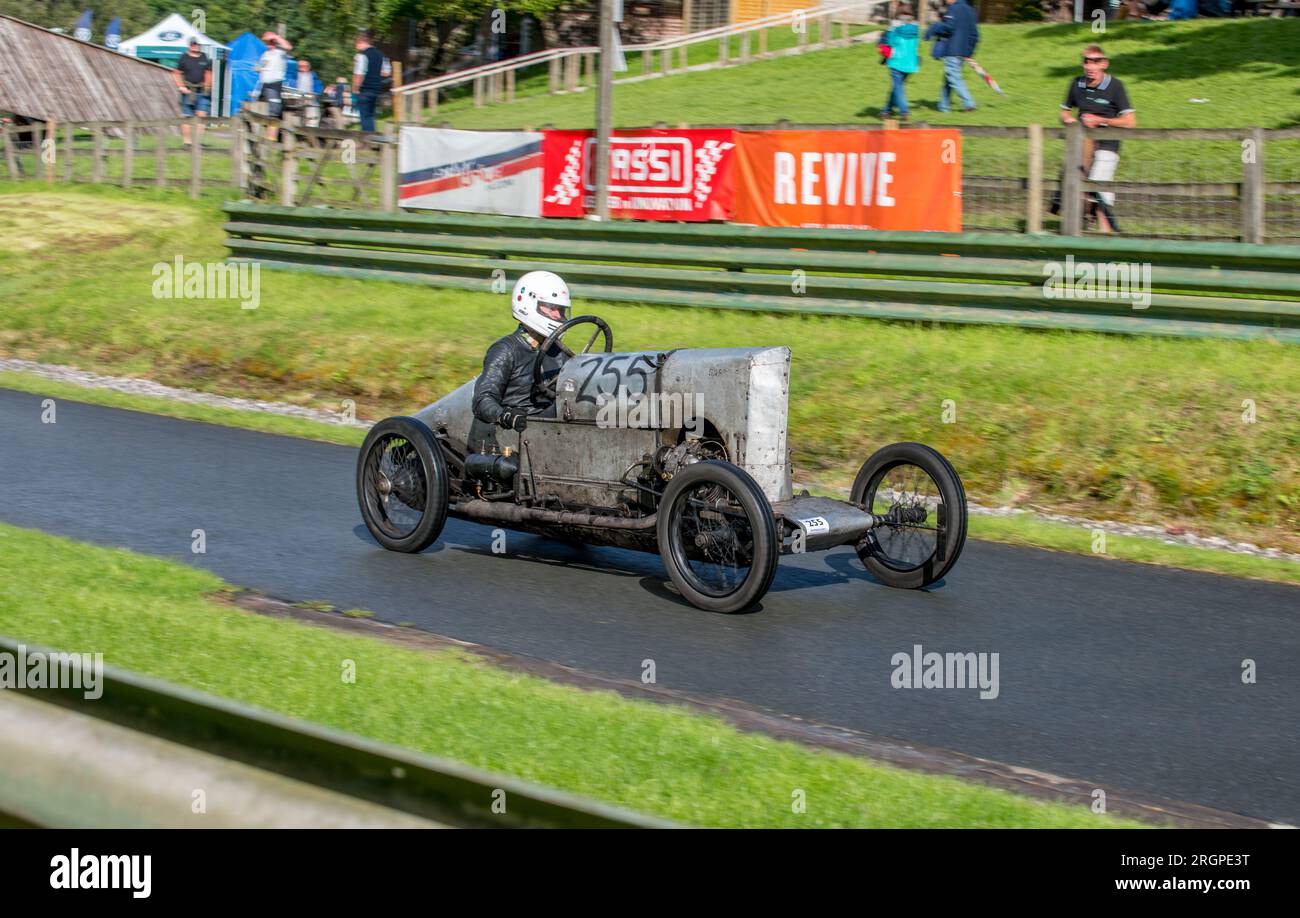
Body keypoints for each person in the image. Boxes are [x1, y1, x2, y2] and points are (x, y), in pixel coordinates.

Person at [469, 271, 571, 453]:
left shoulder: (559, 351)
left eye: (561, 310)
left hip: (550, 430)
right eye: (551, 308)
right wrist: (506, 415)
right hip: (512, 435)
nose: (557, 315)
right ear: (528, 304)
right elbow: (483, 399)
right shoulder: (505, 350)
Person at [1060, 43, 1136, 233]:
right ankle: (1076, 229)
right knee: (1073, 182)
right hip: (1082, 144)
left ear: (1105, 64)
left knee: (1098, 181)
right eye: (1087, 61)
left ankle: (1106, 230)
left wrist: (1101, 120)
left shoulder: (1116, 86)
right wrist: (1069, 120)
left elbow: (1130, 121)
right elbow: (1064, 111)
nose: (1090, 66)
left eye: (1095, 62)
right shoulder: (1076, 84)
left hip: (1107, 144)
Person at [929, 0, 979, 114]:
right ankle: (943, 106)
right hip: (963, 51)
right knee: (949, 78)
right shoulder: (971, 10)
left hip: (952, 49)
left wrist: (935, 27)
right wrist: (969, 51)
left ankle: (969, 102)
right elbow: (975, 34)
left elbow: (948, 27)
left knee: (954, 77)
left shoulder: (953, 8)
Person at [880, 7, 921, 122]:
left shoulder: (895, 28)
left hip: (896, 61)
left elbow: (890, 42)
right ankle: (886, 111)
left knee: (898, 87)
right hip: (911, 63)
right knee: (897, 87)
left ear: (899, 15)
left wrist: (889, 30)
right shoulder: (916, 29)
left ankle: (904, 111)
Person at [173, 40, 211, 145]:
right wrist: (181, 86)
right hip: (189, 91)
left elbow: (208, 72)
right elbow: (176, 73)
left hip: (202, 90)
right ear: (190, 46)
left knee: (201, 115)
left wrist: (208, 85)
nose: (195, 47)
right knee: (187, 116)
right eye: (193, 45)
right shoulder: (184, 58)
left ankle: (197, 142)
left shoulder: (204, 56)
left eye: (197, 45)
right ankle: (187, 142)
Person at [352, 30, 389, 133]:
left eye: (356, 43)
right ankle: (372, 137)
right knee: (371, 115)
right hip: (376, 89)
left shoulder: (361, 56)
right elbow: (386, 72)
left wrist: (355, 89)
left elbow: (359, 74)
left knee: (364, 116)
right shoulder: (381, 55)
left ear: (361, 41)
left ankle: (367, 140)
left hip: (365, 89)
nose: (355, 47)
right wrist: (374, 71)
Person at [255, 32, 288, 139]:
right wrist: (258, 68)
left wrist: (277, 37)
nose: (269, 44)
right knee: (260, 110)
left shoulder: (280, 53)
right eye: (268, 42)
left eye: (272, 42)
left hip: (275, 85)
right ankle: (261, 137)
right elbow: (258, 67)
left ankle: (271, 139)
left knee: (274, 113)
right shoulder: (265, 54)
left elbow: (288, 46)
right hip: (264, 85)